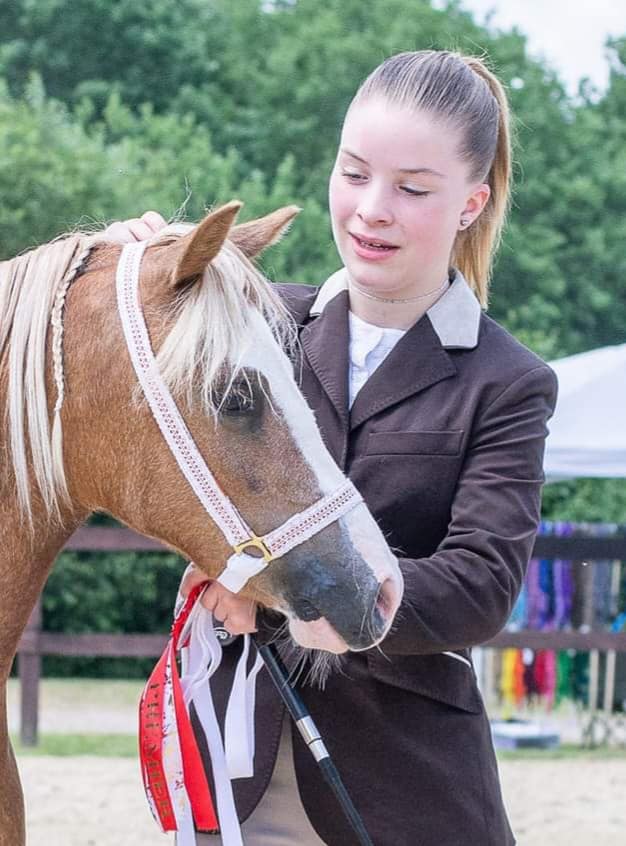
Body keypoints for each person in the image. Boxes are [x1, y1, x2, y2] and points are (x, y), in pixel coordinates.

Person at [108, 49, 558, 846]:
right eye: (354, 174)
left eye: (412, 189)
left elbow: (481, 584)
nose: (370, 210)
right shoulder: (259, 326)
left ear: (470, 203)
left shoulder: (509, 381)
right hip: (233, 774)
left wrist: (293, 591)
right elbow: (126, 411)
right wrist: (130, 271)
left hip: (406, 792)